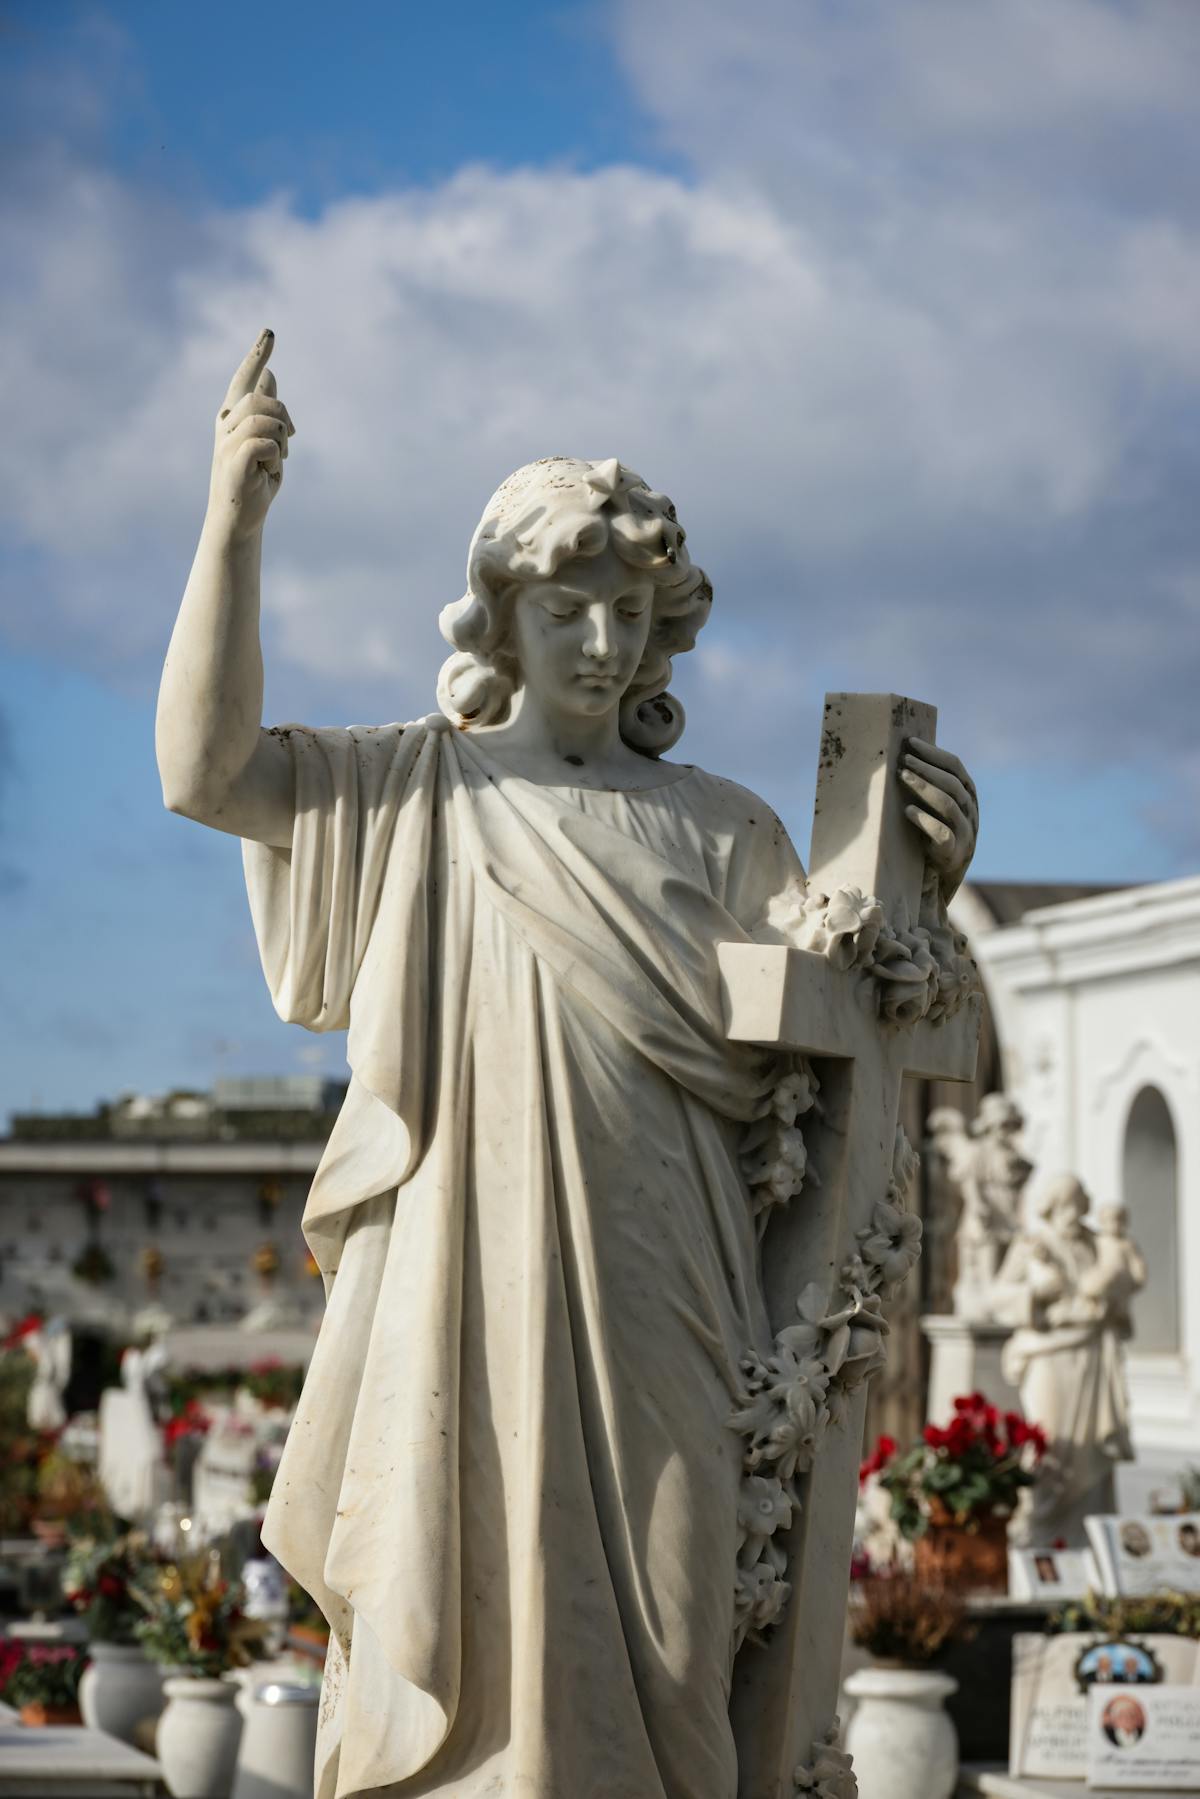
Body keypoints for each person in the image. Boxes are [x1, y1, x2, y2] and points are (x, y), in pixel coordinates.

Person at [155, 332, 980, 1799]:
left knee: (676, 1614)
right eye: (566, 609)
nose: (602, 645)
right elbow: (205, 773)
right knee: (459, 1578)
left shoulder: (725, 829)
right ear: (504, 617)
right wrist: (233, 520)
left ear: (664, 631)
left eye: (629, 614)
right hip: (465, 1273)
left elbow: (865, 1016)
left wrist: (925, 882)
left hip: (676, 1289)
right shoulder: (417, 783)